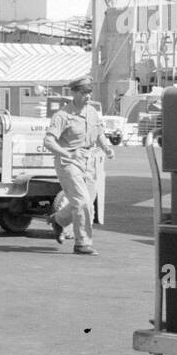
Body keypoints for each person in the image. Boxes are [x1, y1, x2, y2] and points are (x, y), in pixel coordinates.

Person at [44, 77, 114, 255]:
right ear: (73, 93)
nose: (88, 96)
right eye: (83, 92)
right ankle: (83, 243)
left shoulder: (92, 112)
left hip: (89, 161)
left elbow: (98, 132)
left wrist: (106, 148)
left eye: (89, 92)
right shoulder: (63, 115)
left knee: (85, 202)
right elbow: (49, 141)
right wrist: (68, 154)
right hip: (69, 162)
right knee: (83, 203)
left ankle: (58, 221)